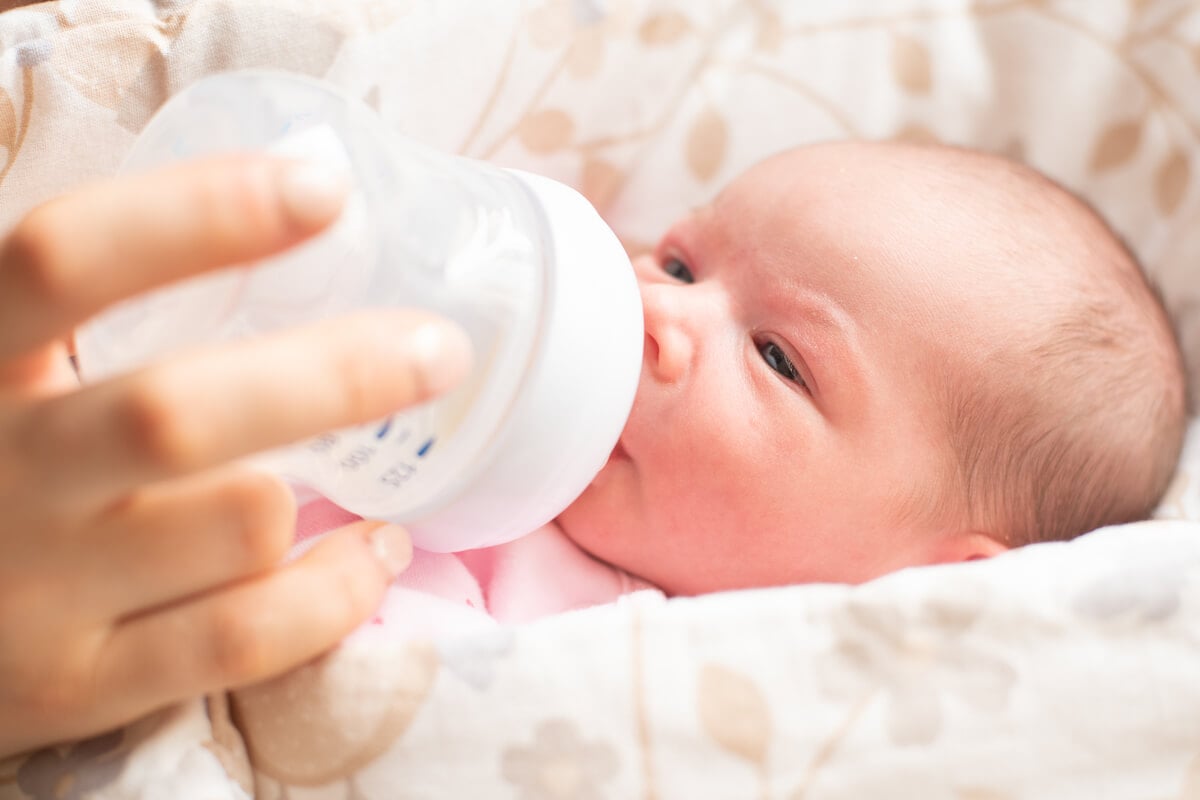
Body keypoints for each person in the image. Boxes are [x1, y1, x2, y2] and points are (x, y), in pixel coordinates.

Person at [0, 140, 1186, 756]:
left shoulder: (684, 685)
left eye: (778, 356)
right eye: (679, 258)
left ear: (930, 591)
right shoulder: (480, 396)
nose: (657, 313)